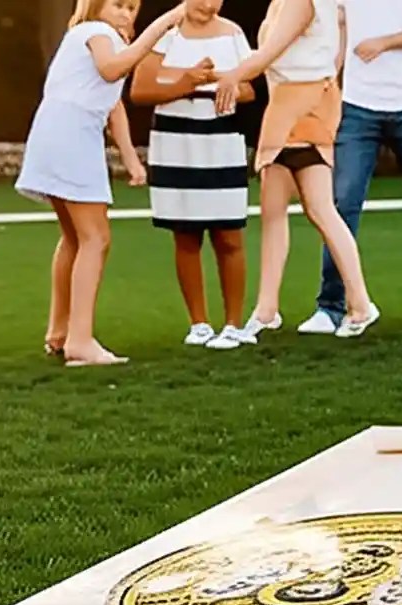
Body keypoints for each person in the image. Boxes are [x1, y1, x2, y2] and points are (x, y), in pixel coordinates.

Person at [15, 0, 183, 367]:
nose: (126, 13)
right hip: (72, 135)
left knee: (75, 238)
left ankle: (60, 331)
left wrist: (130, 158)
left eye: (133, 7)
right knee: (96, 238)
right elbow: (112, 71)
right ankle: (80, 340)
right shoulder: (96, 32)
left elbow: (113, 104)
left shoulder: (94, 37)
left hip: (56, 133)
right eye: (118, 4)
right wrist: (165, 24)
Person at [213, 0, 380, 341]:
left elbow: (269, 53)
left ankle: (361, 304)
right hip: (286, 104)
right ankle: (266, 311)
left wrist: (233, 76)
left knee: (319, 208)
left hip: (304, 104)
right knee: (273, 211)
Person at [295, 0, 402, 335]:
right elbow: (339, 26)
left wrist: (383, 43)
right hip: (357, 107)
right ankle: (331, 307)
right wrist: (329, 80)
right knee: (340, 208)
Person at [130, 0, 256, 351]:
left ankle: (233, 324)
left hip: (222, 139)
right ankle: (199, 324)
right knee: (186, 235)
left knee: (229, 235)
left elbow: (248, 89)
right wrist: (186, 82)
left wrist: (219, 81)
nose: (208, 4)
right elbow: (140, 90)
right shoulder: (164, 34)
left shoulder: (233, 34)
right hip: (175, 141)